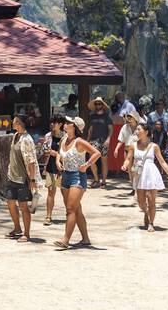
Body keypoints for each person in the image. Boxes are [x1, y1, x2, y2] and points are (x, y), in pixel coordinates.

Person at [55, 116, 100, 249]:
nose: (66, 124)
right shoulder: (64, 139)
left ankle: (65, 240)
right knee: (76, 210)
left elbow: (96, 153)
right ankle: (85, 239)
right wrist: (58, 161)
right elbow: (59, 152)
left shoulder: (79, 141)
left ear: (74, 126)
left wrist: (87, 164)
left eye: (69, 123)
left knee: (70, 209)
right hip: (65, 176)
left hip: (77, 176)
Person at [130, 120, 168, 229]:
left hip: (151, 173)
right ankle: (146, 212)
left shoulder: (154, 146)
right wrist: (125, 165)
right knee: (141, 202)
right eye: (136, 129)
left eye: (139, 129)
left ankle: (151, 223)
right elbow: (129, 159)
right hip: (139, 174)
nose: (136, 131)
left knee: (152, 200)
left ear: (146, 132)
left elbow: (162, 162)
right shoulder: (133, 146)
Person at [4, 113, 40, 242]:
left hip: (23, 178)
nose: (13, 123)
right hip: (12, 175)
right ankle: (17, 228)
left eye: (15, 122)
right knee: (10, 203)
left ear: (20, 124)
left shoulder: (27, 139)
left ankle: (27, 233)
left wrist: (32, 180)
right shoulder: (15, 136)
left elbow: (31, 161)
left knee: (23, 206)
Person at [37, 114, 65, 226]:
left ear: (60, 124)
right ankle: (48, 216)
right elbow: (43, 151)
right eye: (52, 122)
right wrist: (44, 151)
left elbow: (69, 154)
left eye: (55, 122)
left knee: (65, 193)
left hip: (63, 168)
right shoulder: (48, 136)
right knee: (50, 192)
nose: (52, 124)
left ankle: (70, 214)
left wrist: (56, 154)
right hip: (50, 166)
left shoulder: (66, 137)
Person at [86, 97, 112, 187]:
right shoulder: (92, 116)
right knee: (91, 160)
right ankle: (96, 179)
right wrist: (87, 141)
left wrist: (108, 139)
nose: (98, 105)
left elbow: (110, 130)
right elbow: (90, 130)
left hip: (104, 140)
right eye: (96, 103)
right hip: (93, 140)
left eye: (99, 103)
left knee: (104, 160)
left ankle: (103, 181)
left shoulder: (107, 117)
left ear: (102, 105)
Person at [116, 111, 142, 193]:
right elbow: (121, 140)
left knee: (136, 170)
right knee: (130, 171)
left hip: (138, 152)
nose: (129, 119)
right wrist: (116, 149)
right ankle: (134, 188)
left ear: (136, 119)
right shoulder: (125, 127)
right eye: (129, 117)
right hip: (127, 151)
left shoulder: (140, 128)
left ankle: (138, 188)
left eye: (131, 117)